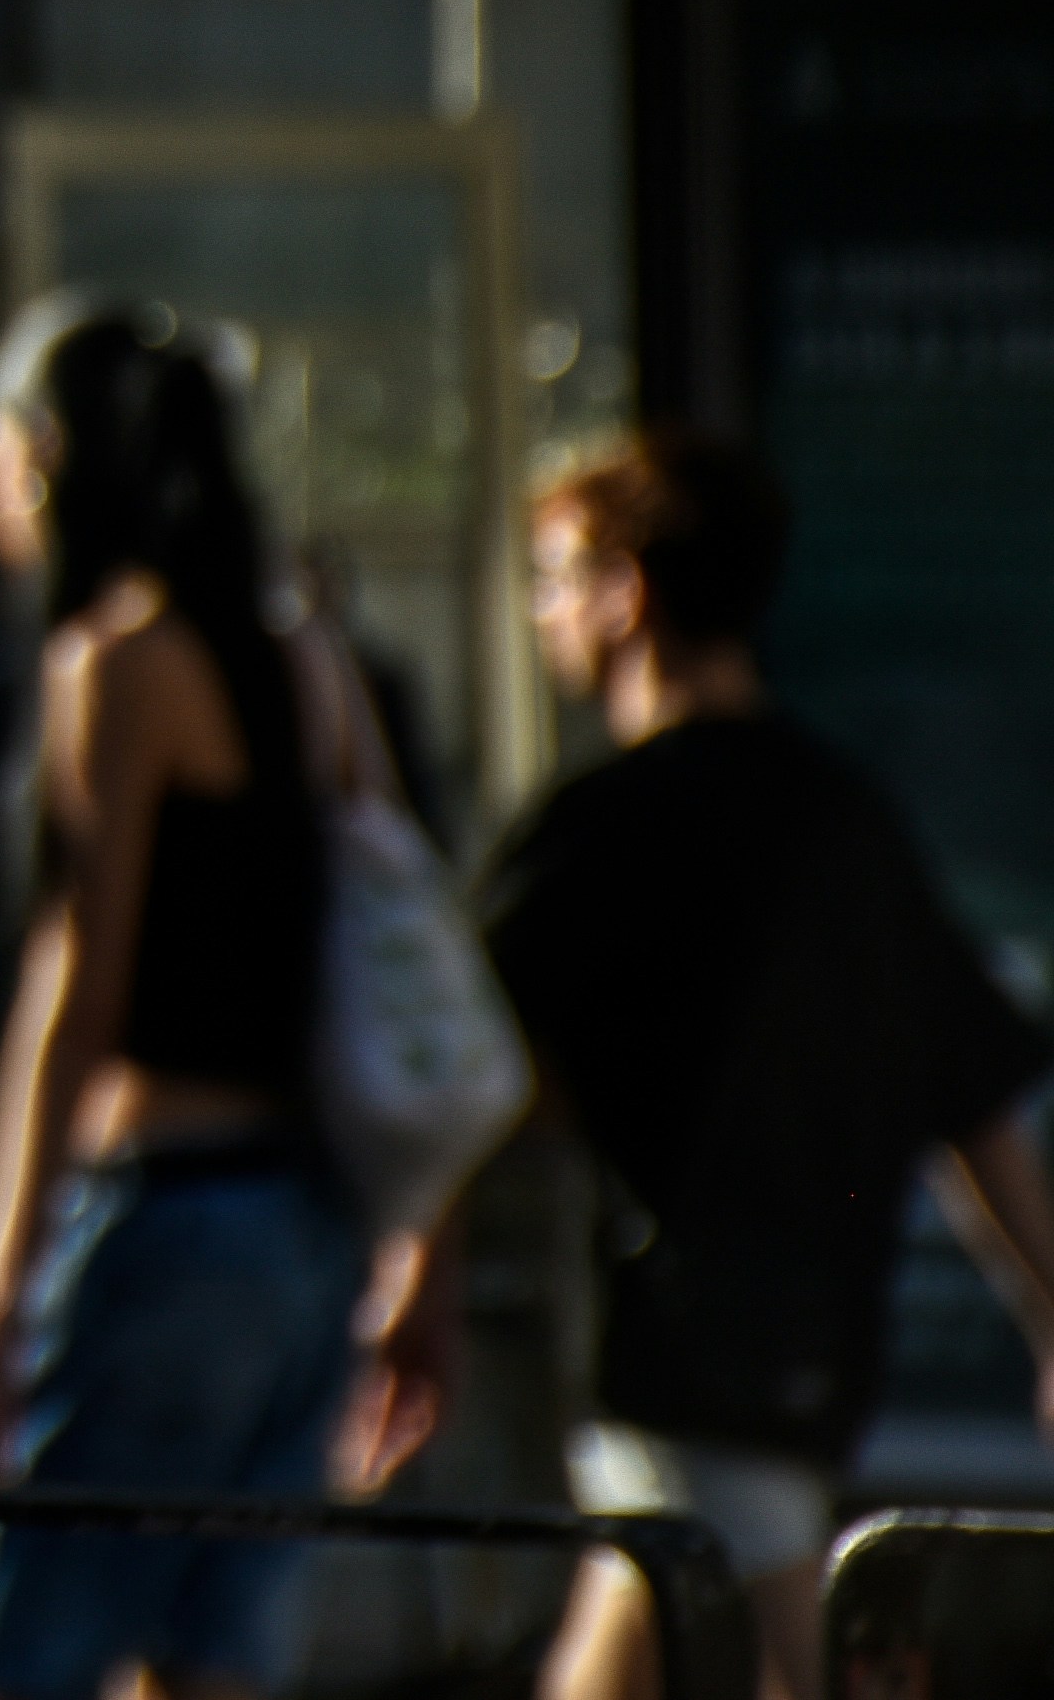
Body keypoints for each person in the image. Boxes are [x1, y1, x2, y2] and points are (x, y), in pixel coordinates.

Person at [352, 429, 1054, 1700]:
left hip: (696, 1344)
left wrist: (418, 1275)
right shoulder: (842, 813)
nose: (544, 609)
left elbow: (464, 1071)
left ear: (630, 593)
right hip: (799, 1340)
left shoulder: (600, 825)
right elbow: (975, 1087)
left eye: (559, 574)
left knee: (790, 1653)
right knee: (636, 1631)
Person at [0, 303, 365, 1700]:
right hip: (305, 1231)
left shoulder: (114, 667)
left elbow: (75, 995)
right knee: (213, 1665)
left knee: (19, 1655)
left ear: (49, 457)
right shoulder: (304, 658)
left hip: (160, 1224)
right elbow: (392, 944)